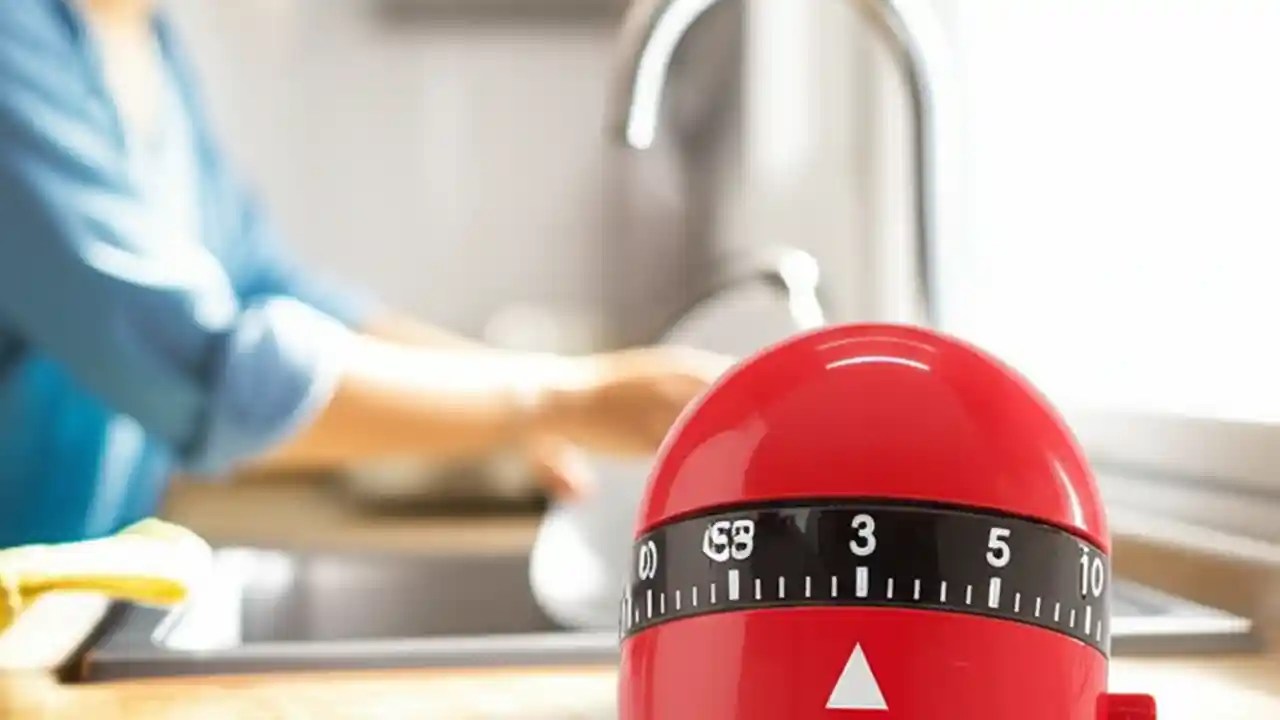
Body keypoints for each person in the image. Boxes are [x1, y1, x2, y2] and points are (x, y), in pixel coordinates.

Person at [0, 0, 729, 548]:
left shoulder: (138, 38)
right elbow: (197, 365)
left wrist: (515, 396)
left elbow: (259, 281)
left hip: (59, 600)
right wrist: (556, 399)